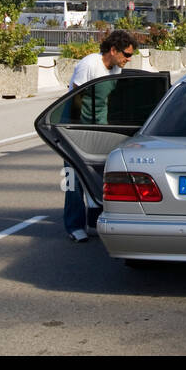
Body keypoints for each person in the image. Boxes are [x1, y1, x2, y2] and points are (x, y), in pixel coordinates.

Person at [61, 29, 139, 242]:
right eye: (126, 54)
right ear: (113, 50)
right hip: (77, 127)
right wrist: (75, 134)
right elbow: (76, 98)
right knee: (73, 178)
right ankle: (74, 225)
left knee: (99, 176)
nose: (128, 59)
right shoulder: (90, 64)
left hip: (99, 129)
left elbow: (108, 101)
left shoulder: (116, 69)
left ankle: (94, 221)